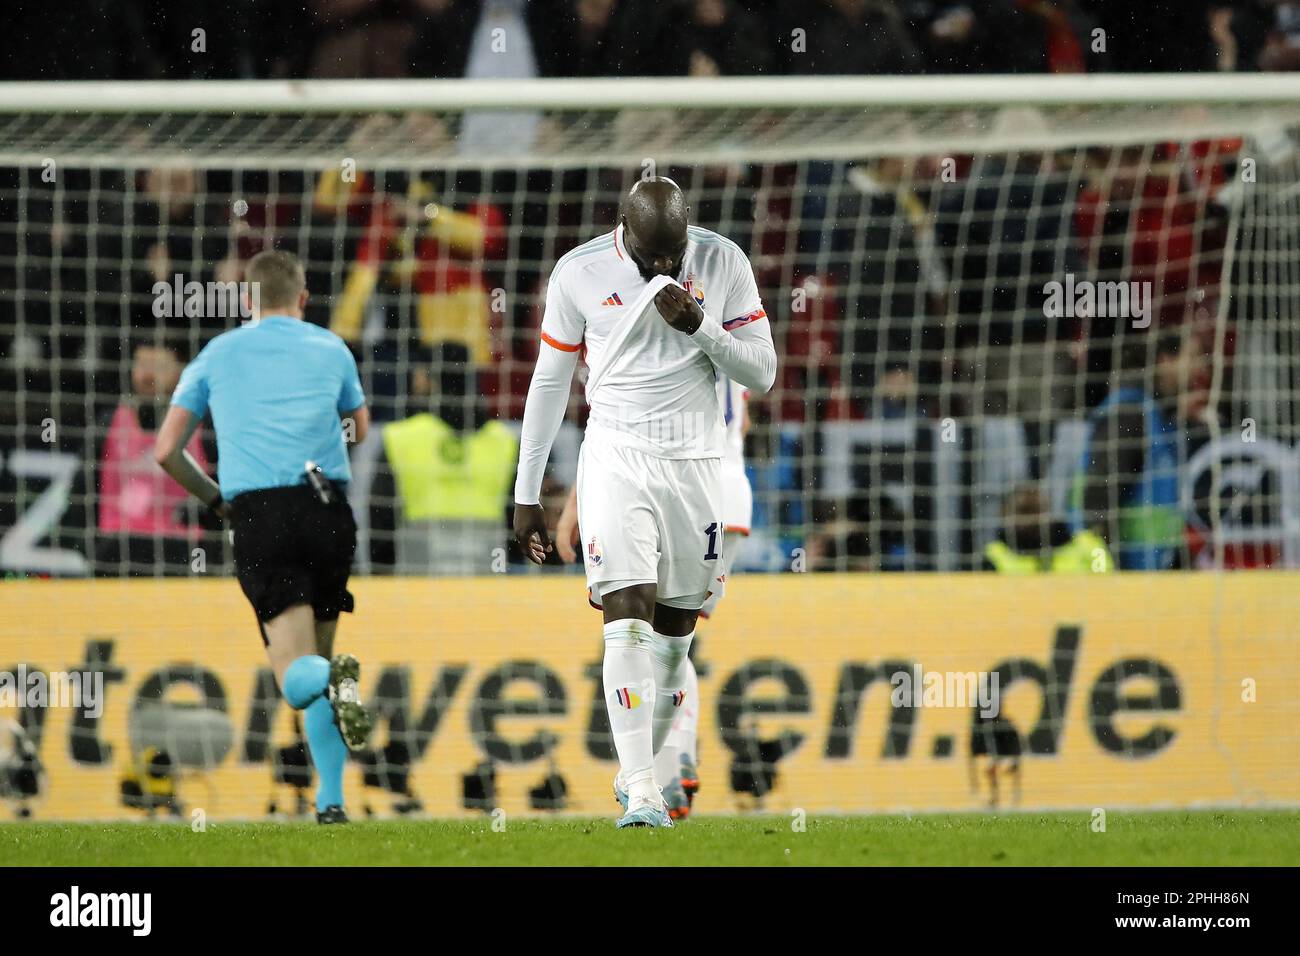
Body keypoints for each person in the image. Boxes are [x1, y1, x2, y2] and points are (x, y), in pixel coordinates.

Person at [513, 178, 776, 828]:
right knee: (626, 611)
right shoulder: (578, 273)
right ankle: (642, 790)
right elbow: (549, 383)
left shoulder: (724, 262)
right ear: (624, 233)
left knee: (673, 641)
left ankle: (647, 769)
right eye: (652, 256)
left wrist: (704, 328)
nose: (665, 267)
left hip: (697, 463)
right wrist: (527, 494)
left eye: (674, 253)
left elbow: (762, 373)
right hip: (616, 457)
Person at [153, 249, 373, 824]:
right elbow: (360, 425)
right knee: (317, 656)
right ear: (303, 298)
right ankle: (330, 802)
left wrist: (216, 499)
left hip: (260, 511)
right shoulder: (331, 347)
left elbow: (165, 451)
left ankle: (331, 680)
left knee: (298, 678)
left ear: (247, 300)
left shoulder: (217, 354)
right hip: (328, 507)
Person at [554, 372, 753, 820]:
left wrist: (578, 501)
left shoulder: (640, 340)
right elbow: (741, 423)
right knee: (676, 637)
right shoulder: (722, 330)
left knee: (658, 637)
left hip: (679, 487)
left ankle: (668, 766)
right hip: (731, 498)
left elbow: (619, 425)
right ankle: (670, 767)